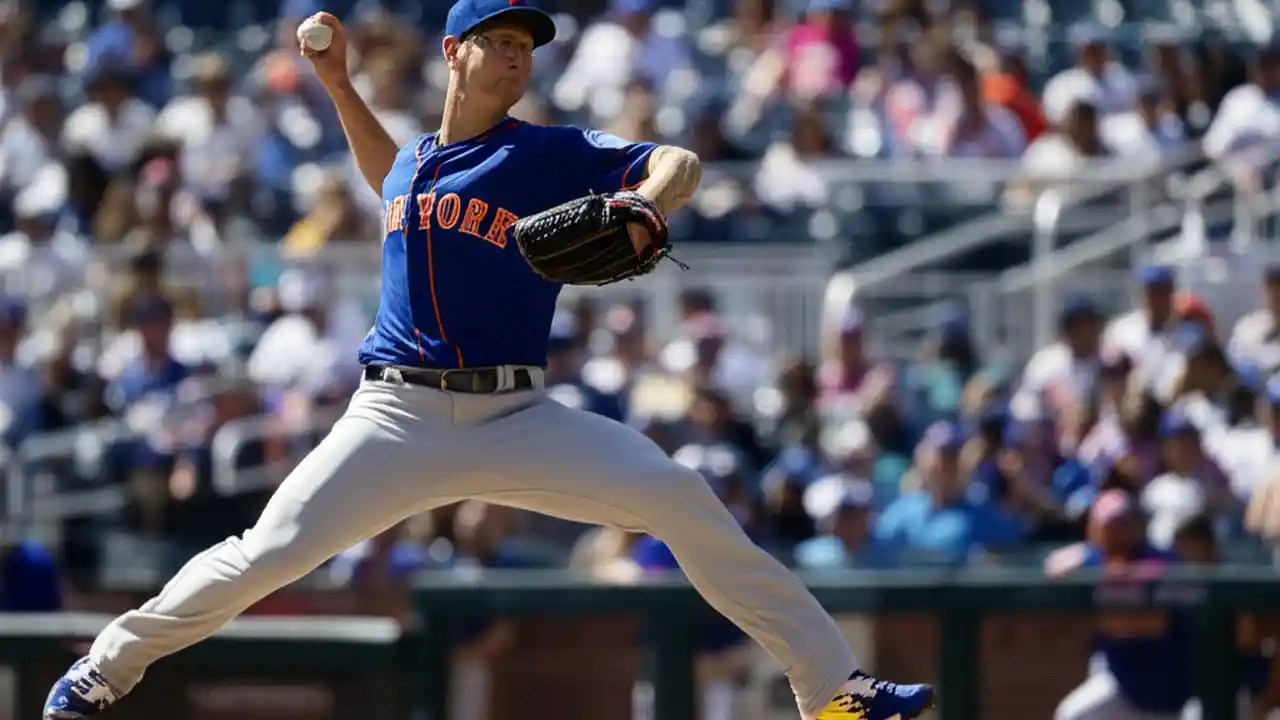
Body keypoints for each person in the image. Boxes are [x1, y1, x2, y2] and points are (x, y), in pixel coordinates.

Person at [41, 2, 934, 719]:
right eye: (498, 42)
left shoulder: (540, 151)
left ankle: (831, 691)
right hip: (394, 419)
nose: (515, 59)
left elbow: (678, 158)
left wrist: (651, 204)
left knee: (681, 498)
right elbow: (388, 176)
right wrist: (339, 84)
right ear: (454, 53)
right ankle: (102, 672)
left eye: (525, 47)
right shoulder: (417, 166)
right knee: (263, 555)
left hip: (518, 417)